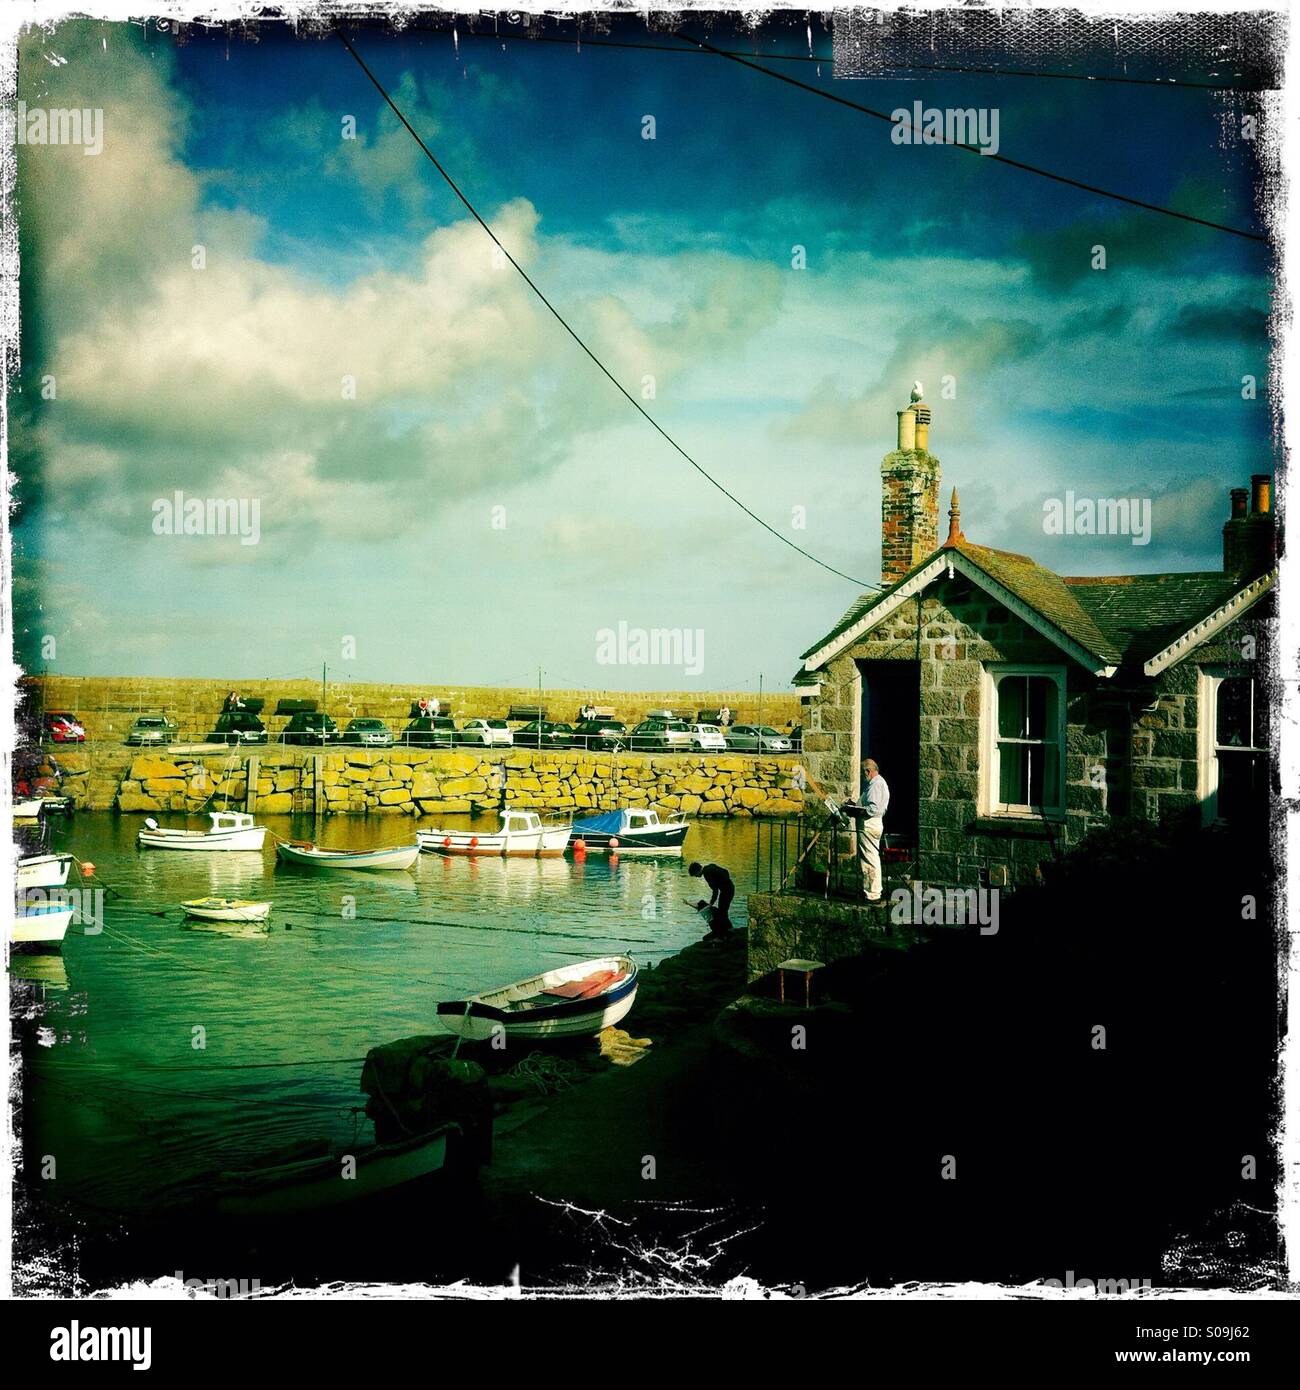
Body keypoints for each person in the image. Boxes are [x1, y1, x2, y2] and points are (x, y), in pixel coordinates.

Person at [854, 758, 890, 903]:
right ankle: (871, 891)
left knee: (870, 858)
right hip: (873, 824)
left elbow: (873, 808)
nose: (863, 777)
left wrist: (857, 811)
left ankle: (873, 894)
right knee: (870, 857)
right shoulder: (880, 783)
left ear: (868, 771)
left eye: (864, 774)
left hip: (870, 824)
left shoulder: (875, 784)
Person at [688, 860, 735, 938]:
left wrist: (711, 902)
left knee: (722, 912)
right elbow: (726, 871)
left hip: (726, 890)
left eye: (695, 875)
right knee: (723, 911)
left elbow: (715, 890)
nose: (696, 877)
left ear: (697, 871)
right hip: (729, 887)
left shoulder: (707, 874)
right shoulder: (710, 866)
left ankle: (727, 933)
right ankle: (729, 929)